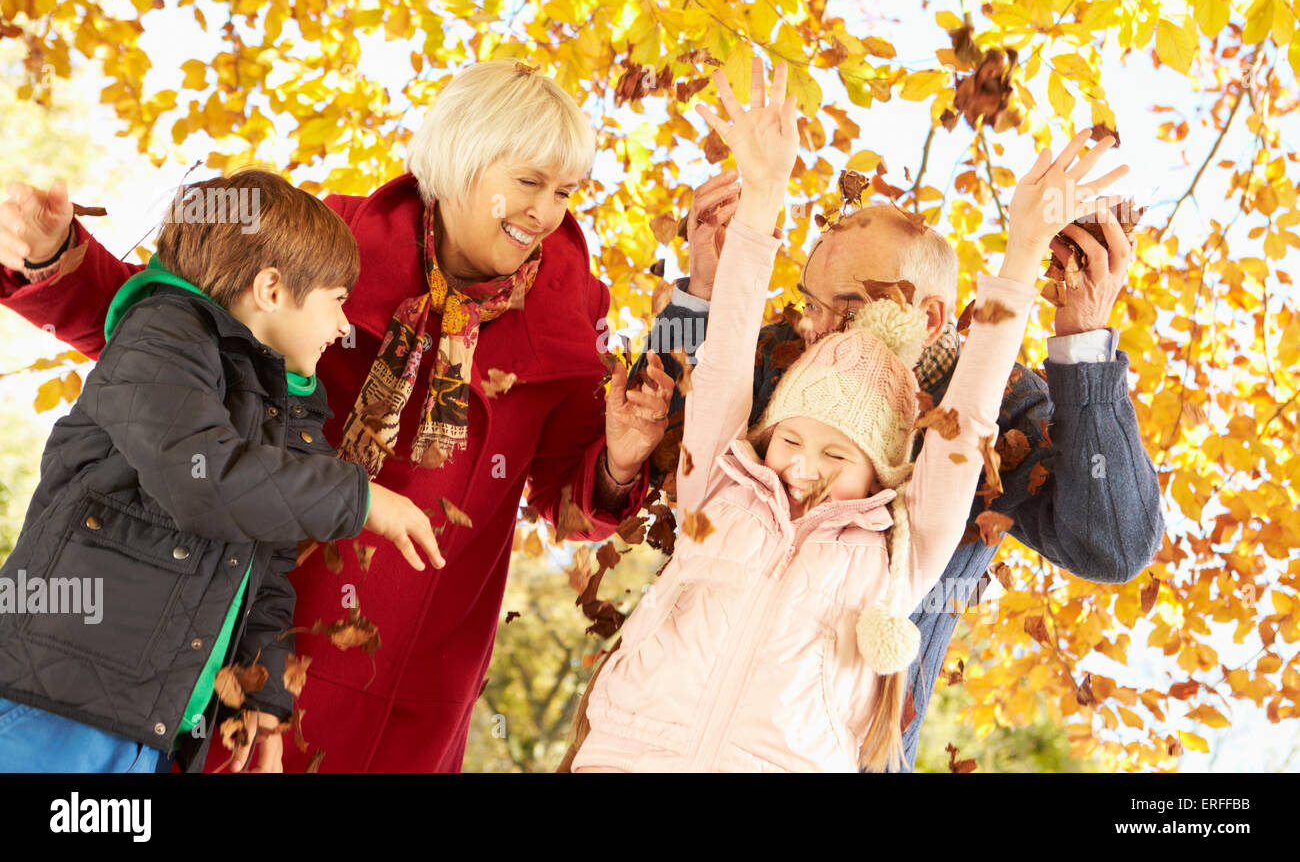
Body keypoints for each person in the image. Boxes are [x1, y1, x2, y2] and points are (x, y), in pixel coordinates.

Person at [0, 60, 674, 772]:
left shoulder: (573, 315)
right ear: (458, 159)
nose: (546, 213)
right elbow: (175, 342)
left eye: (565, 191)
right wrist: (55, 260)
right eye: (529, 182)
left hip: (419, 670)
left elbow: (569, 507)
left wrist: (621, 458)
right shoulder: (331, 243)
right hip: (255, 622)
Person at [571, 58, 1104, 772]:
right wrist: (753, 208)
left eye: (837, 458)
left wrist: (1026, 251)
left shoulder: (897, 554)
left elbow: (973, 418)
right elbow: (716, 361)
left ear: (883, 476)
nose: (802, 469)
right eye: (790, 439)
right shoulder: (724, 481)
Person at [0, 170, 441, 773]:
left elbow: (267, 575)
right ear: (271, 288)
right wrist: (362, 500)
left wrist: (258, 700)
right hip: (56, 699)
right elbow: (202, 481)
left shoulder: (290, 414)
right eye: (338, 301)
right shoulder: (163, 335)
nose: (344, 327)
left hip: (153, 727)